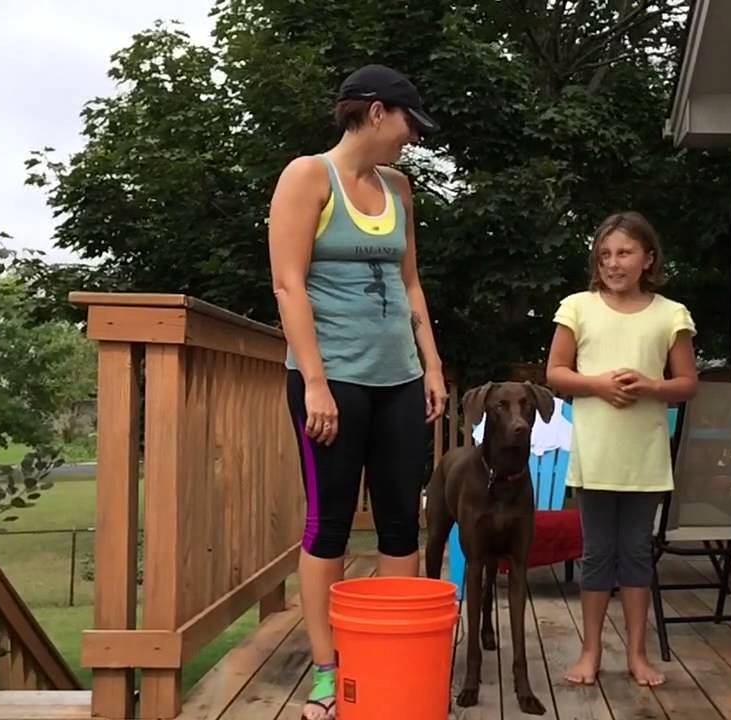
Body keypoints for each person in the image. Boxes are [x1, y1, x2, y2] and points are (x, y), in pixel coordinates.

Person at [267, 64, 447, 720]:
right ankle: (327, 671)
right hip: (331, 381)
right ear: (375, 113)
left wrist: (432, 365)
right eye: (407, 123)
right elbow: (288, 284)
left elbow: (410, 282)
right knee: (330, 523)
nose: (411, 137)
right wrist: (315, 383)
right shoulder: (308, 177)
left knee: (402, 520)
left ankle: (390, 663)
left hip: (399, 380)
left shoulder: (399, 187)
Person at [545, 211, 698, 687]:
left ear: (647, 259)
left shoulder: (671, 314)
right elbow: (555, 372)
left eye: (625, 253)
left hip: (644, 460)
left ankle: (636, 654)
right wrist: (597, 385)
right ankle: (590, 651)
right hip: (595, 457)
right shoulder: (577, 307)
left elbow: (687, 383)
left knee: (635, 553)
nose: (614, 263)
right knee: (596, 554)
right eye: (605, 254)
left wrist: (652, 386)